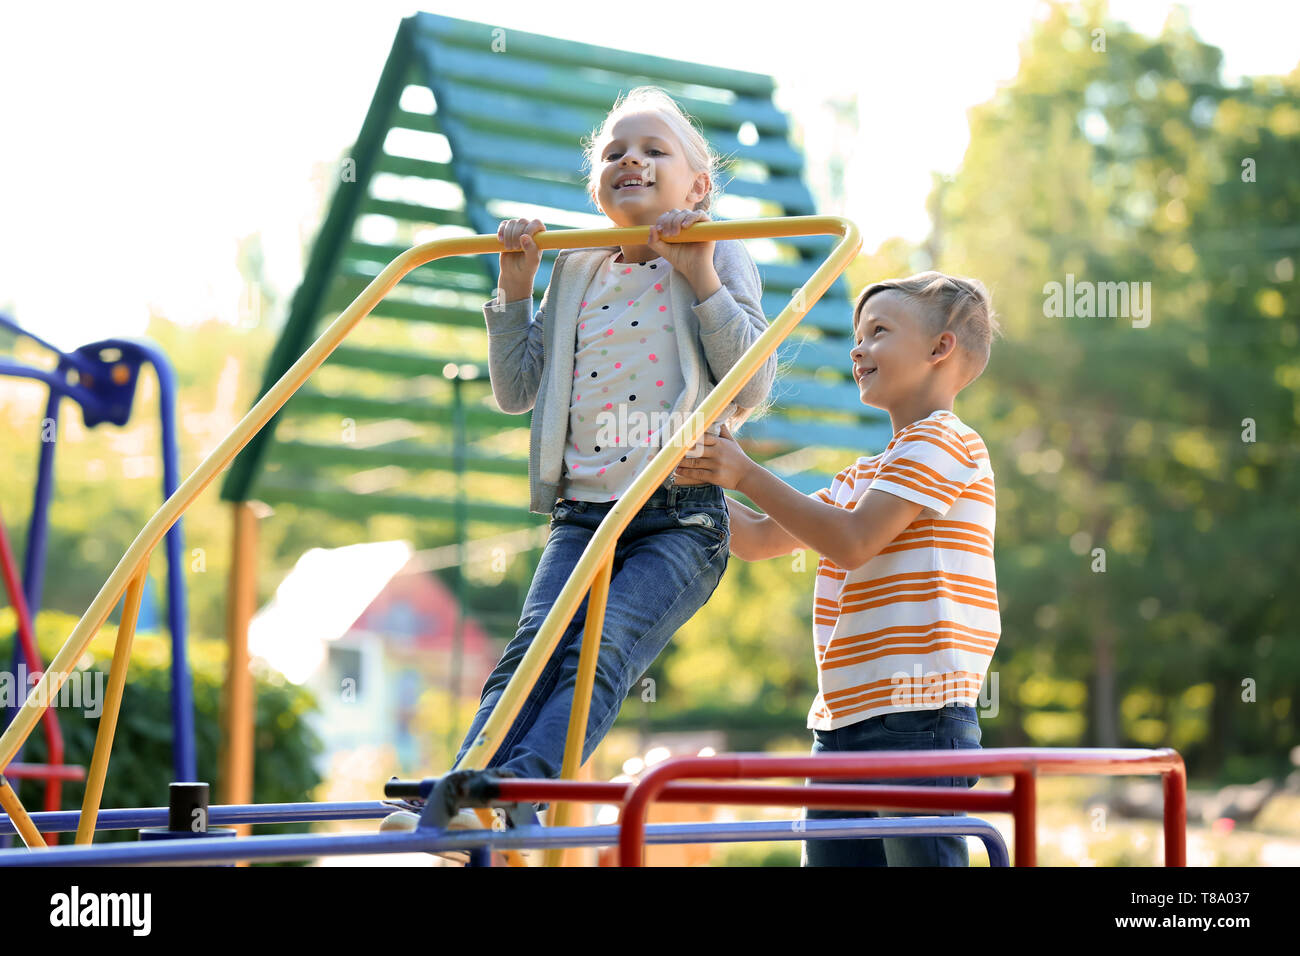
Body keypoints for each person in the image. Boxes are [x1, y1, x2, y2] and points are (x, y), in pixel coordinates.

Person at [381, 86, 776, 842]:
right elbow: (516, 390)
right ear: (596, 185)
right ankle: (461, 790)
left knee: (602, 649)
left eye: (654, 150)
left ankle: (514, 792)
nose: (630, 159)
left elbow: (750, 385)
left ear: (697, 188)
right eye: (613, 153)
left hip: (678, 517)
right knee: (530, 651)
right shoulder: (576, 265)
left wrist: (701, 279)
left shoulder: (720, 253)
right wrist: (515, 292)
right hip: (584, 511)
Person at [675, 272, 1001, 866]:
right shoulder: (863, 475)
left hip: (917, 716)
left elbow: (853, 542)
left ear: (940, 349)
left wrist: (744, 472)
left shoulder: (947, 442)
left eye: (877, 332)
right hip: (843, 720)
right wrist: (696, 471)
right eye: (857, 335)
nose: (857, 348)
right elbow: (755, 539)